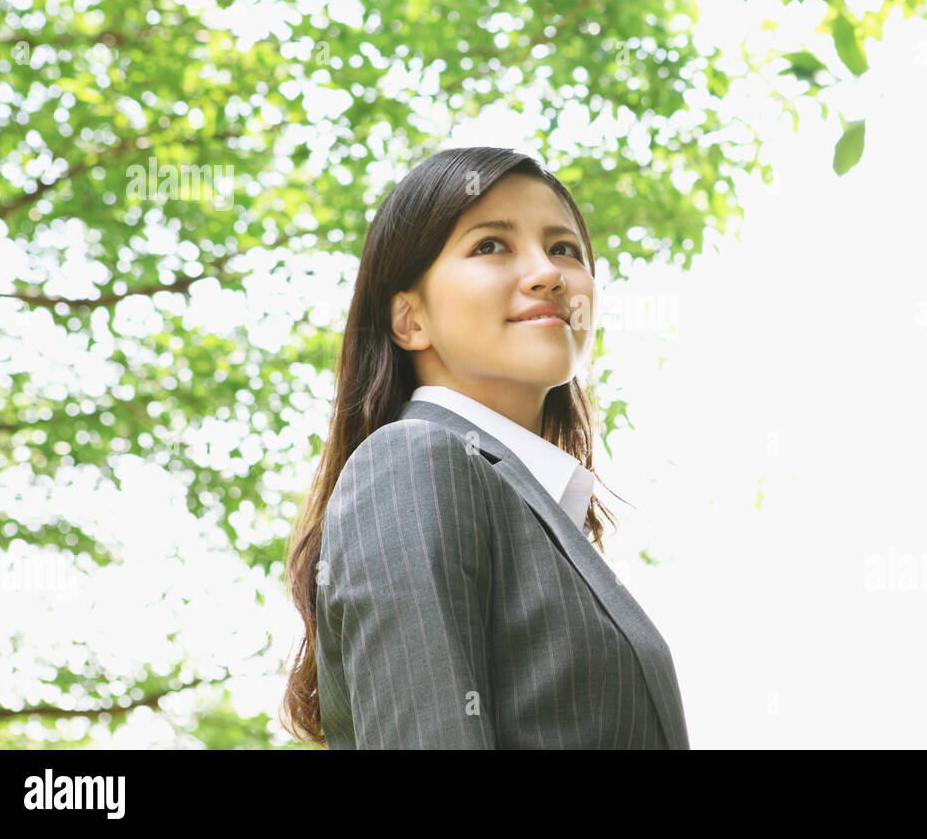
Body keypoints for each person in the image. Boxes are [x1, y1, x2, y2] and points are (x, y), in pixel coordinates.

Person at [280, 146, 690, 749]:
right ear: (409, 320)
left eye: (564, 249)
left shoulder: (528, 504)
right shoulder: (414, 462)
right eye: (490, 245)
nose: (547, 272)